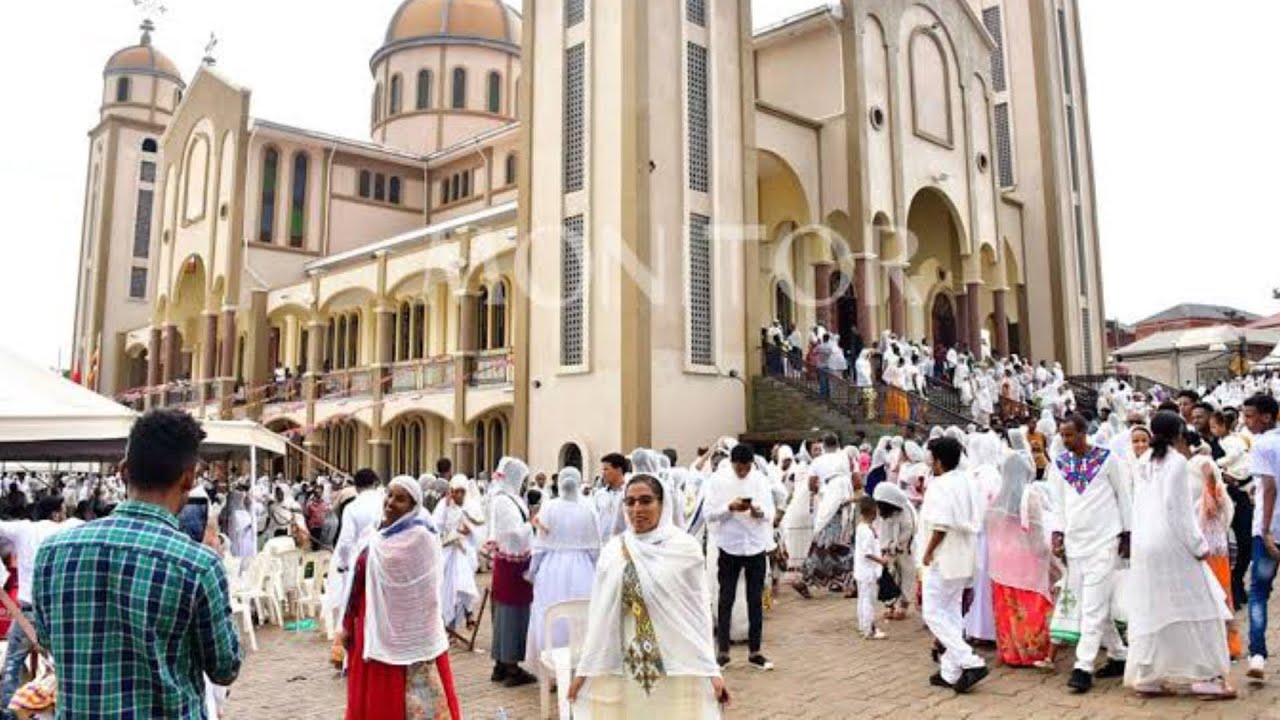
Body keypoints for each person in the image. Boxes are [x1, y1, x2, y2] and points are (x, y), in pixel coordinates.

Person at [32, 409, 241, 717]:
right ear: (189, 478)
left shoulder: (53, 552)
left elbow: (47, 639)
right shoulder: (198, 566)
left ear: (123, 471)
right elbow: (225, 668)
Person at [569, 474, 728, 718]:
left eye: (646, 501)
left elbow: (698, 615)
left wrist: (712, 670)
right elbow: (600, 616)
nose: (637, 509)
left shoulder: (684, 549)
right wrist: (584, 671)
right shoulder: (613, 551)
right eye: (630, 502)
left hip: (676, 661)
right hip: (626, 661)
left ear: (662, 505)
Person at [1123, 412, 1234, 699]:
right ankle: (1205, 678)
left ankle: (1147, 677)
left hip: (1145, 545)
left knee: (1154, 607)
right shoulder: (1176, 463)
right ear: (1178, 434)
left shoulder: (1143, 461)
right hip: (1171, 543)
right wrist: (1199, 546)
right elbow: (1180, 513)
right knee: (1200, 606)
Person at [341, 475, 461, 719]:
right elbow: (358, 583)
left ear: (413, 506)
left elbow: (426, 593)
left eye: (400, 499)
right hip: (374, 626)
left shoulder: (422, 539)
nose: (390, 502)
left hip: (411, 634)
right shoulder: (376, 535)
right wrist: (347, 625)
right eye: (389, 495)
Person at [1046, 414, 1132, 693]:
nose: (1065, 440)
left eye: (1070, 435)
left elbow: (1124, 497)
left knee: (1092, 606)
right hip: (1075, 544)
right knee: (1094, 602)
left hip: (1105, 541)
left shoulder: (1108, 460)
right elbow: (1057, 504)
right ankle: (1119, 655)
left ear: (1084, 433)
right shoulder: (1060, 464)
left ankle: (1083, 666)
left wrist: (1127, 534)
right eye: (1062, 435)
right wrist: (1058, 534)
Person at [919, 436, 988, 693]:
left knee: (933, 612)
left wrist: (928, 552)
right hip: (965, 555)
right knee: (951, 613)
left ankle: (970, 661)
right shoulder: (968, 480)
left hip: (943, 557)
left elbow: (940, 525)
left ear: (938, 460)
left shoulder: (941, 485)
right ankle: (950, 671)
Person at [0, 495, 79, 715]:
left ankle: (10, 711)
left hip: (27, 613)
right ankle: (60, 708)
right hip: (59, 613)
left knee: (13, 664)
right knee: (61, 666)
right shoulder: (70, 528)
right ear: (56, 513)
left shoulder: (23, 529)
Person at [704, 444, 776, 670]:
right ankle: (723, 651)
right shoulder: (718, 480)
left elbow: (770, 511)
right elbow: (709, 513)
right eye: (739, 468)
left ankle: (755, 651)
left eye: (747, 468)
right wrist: (729, 508)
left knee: (755, 599)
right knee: (726, 598)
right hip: (729, 545)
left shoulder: (760, 480)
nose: (743, 472)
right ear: (732, 463)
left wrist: (758, 511)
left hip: (755, 545)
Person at [526, 467, 601, 667]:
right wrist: (597, 570)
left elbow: (539, 545)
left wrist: (532, 571)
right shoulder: (588, 508)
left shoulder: (549, 507)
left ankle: (550, 664)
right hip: (582, 568)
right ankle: (580, 664)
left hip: (552, 568)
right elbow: (595, 547)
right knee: (580, 615)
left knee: (550, 614)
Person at [986, 450, 1053, 667]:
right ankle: (1032, 652)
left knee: (1007, 607)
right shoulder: (1030, 496)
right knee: (1028, 607)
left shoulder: (996, 495)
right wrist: (1045, 553)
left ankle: (1010, 652)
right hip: (1025, 559)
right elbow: (1036, 531)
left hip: (1000, 560)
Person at [487, 457, 538, 687]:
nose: (525, 483)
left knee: (506, 613)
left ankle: (501, 663)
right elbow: (514, 534)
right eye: (523, 478)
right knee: (512, 615)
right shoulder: (504, 501)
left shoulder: (506, 498)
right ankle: (511, 667)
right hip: (513, 564)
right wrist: (533, 524)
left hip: (510, 563)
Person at [1245, 393, 1280, 681]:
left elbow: (1269, 488)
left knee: (1258, 592)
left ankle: (1257, 653)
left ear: (1266, 417)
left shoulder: (1263, 443)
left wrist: (1267, 530)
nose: (1246, 422)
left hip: (1270, 530)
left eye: (1250, 416)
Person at [333, 469, 387, 629]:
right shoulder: (385, 502)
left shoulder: (352, 508)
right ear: (375, 483)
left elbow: (345, 541)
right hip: (384, 557)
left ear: (356, 487)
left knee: (358, 604)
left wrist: (342, 564)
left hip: (360, 561)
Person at [432, 476, 483, 631]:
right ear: (452, 491)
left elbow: (479, 531)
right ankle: (453, 623)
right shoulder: (444, 505)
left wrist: (469, 531)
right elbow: (436, 527)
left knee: (462, 583)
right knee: (448, 589)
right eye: (456, 492)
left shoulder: (471, 506)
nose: (459, 495)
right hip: (447, 550)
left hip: (464, 551)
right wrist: (447, 510)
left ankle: (468, 613)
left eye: (462, 492)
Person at [873, 482, 916, 619]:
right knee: (889, 575)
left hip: (904, 549)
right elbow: (883, 530)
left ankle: (903, 605)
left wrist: (896, 545)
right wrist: (885, 548)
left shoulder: (906, 511)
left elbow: (909, 530)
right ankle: (890, 605)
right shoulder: (885, 512)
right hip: (888, 548)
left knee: (906, 575)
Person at [853, 496, 887, 640]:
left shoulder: (862, 528)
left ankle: (863, 626)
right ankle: (868, 629)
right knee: (868, 600)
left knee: (863, 599)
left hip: (862, 570)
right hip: (868, 571)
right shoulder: (866, 531)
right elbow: (867, 552)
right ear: (873, 512)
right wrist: (881, 561)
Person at [594, 454, 630, 545]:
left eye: (606, 469)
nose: (603, 473)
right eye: (602, 470)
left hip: (624, 545)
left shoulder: (629, 493)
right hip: (602, 546)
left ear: (619, 470)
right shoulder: (599, 494)